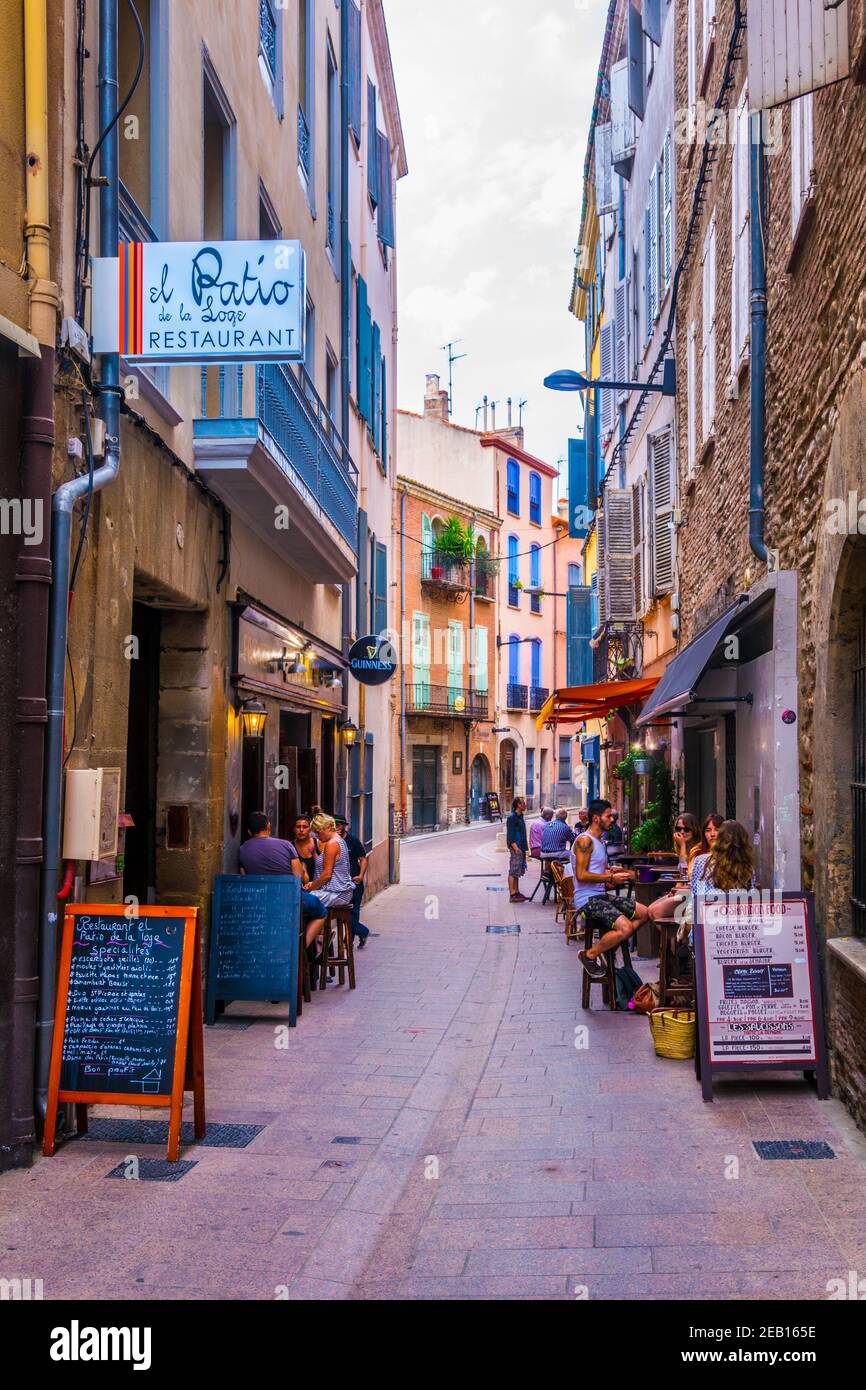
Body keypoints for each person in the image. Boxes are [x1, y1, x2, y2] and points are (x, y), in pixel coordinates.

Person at [575, 799, 655, 980]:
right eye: (608, 816)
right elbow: (581, 875)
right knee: (625, 929)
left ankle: (607, 947)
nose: (612, 819)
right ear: (596, 818)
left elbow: (595, 873)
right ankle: (590, 954)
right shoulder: (585, 841)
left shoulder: (600, 842)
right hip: (587, 901)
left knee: (645, 912)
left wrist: (611, 876)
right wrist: (609, 877)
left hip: (600, 895)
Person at [238, 811, 327, 950]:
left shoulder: (242, 850)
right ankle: (300, 948)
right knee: (321, 911)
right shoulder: (286, 845)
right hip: (288, 897)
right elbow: (297, 877)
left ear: (249, 831)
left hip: (259, 901)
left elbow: (244, 877)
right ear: (268, 826)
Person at [305, 813, 356, 916]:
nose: (317, 836)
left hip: (337, 893)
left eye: (318, 832)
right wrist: (314, 883)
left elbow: (327, 874)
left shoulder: (331, 844)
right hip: (338, 892)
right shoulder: (339, 841)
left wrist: (312, 887)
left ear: (328, 827)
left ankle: (315, 931)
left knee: (300, 902)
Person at [691, 819, 757, 895]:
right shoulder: (748, 867)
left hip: (708, 905)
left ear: (719, 839)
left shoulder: (701, 861)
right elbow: (751, 896)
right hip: (738, 906)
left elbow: (697, 894)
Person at [334, 815, 370, 948]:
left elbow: (363, 859)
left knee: (353, 911)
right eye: (334, 824)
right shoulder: (331, 842)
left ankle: (348, 941)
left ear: (344, 826)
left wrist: (361, 876)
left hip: (354, 882)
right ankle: (362, 932)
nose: (336, 827)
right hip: (339, 883)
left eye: (339, 824)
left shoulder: (353, 841)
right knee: (344, 913)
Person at [506, 797, 528, 903]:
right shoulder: (512, 818)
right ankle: (512, 894)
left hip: (521, 846)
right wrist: (515, 847)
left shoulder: (520, 816)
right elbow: (510, 835)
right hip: (516, 847)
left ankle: (517, 892)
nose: (525, 805)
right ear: (518, 805)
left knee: (518, 870)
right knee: (513, 870)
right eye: (523, 803)